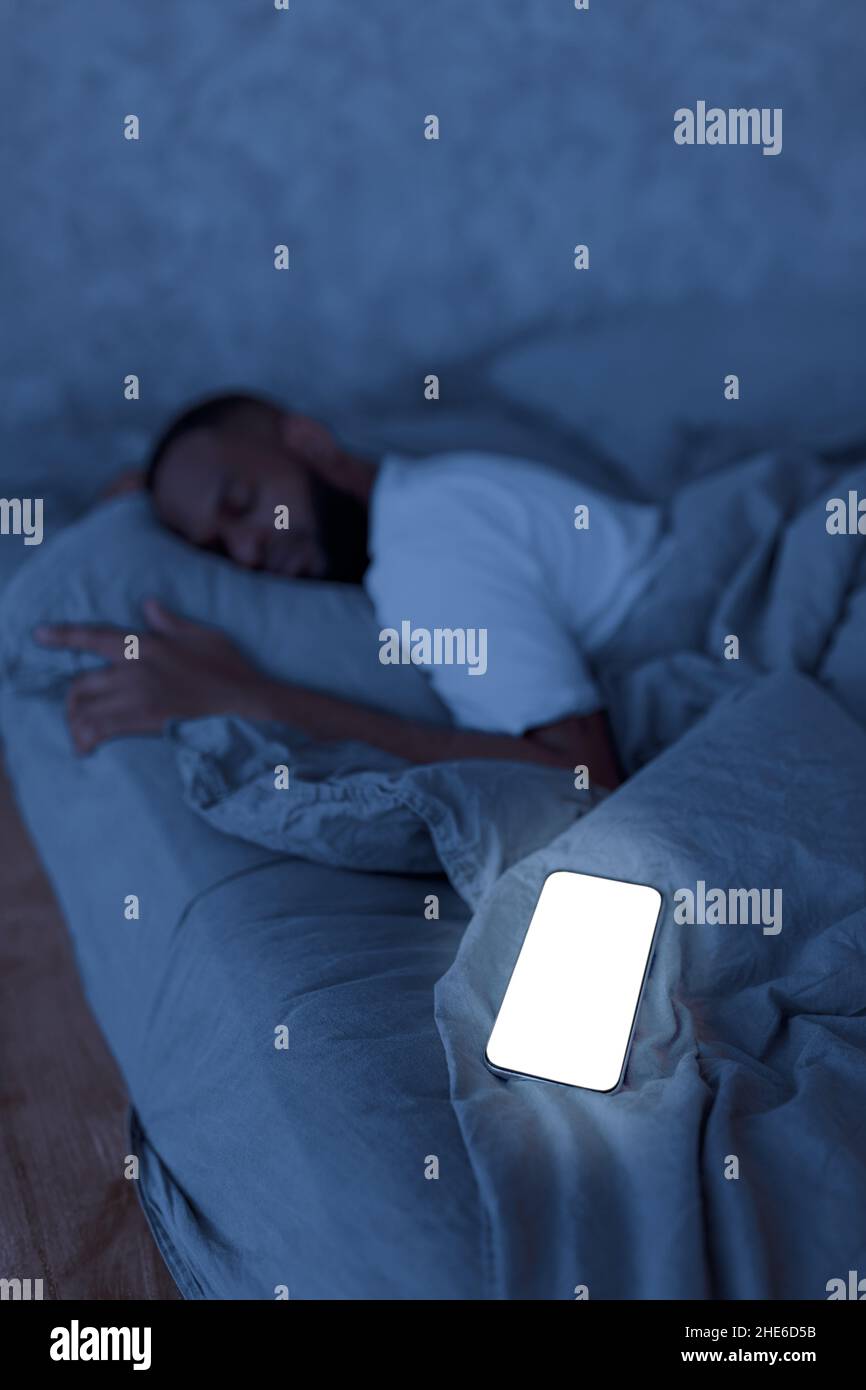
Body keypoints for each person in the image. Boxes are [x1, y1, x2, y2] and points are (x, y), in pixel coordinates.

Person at [36, 392, 666, 789]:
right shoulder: (422, 499)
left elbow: (581, 777)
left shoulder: (425, 557)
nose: (250, 549)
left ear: (309, 442)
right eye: (220, 549)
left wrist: (250, 699)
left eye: (243, 504)